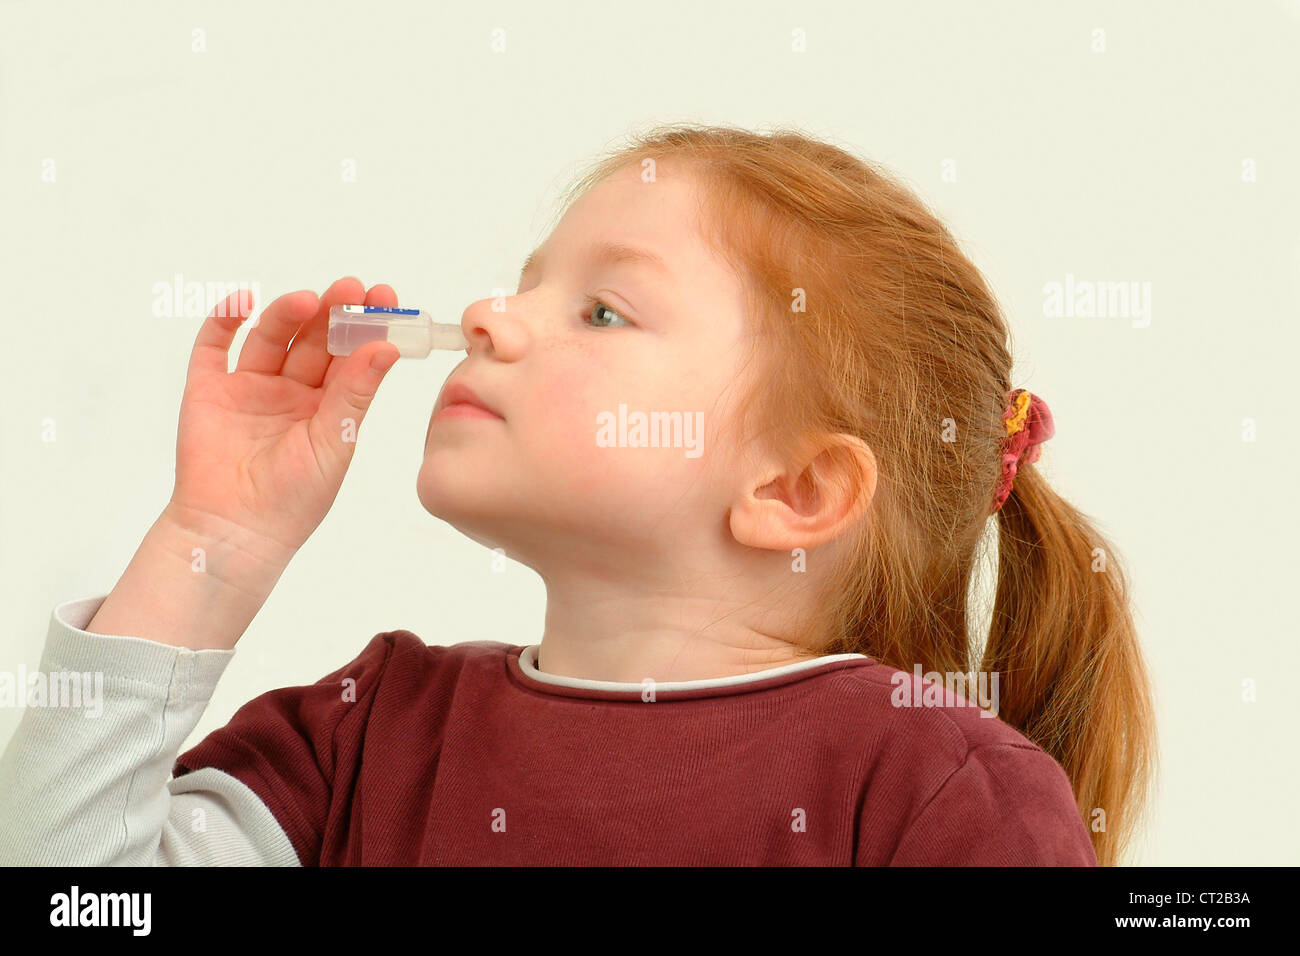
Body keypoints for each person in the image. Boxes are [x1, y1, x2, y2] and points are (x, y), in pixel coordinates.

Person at [0, 123, 1155, 866]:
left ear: (795, 487)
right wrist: (212, 538)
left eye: (602, 310)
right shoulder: (366, 735)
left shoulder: (934, 789)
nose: (492, 318)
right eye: (521, 285)